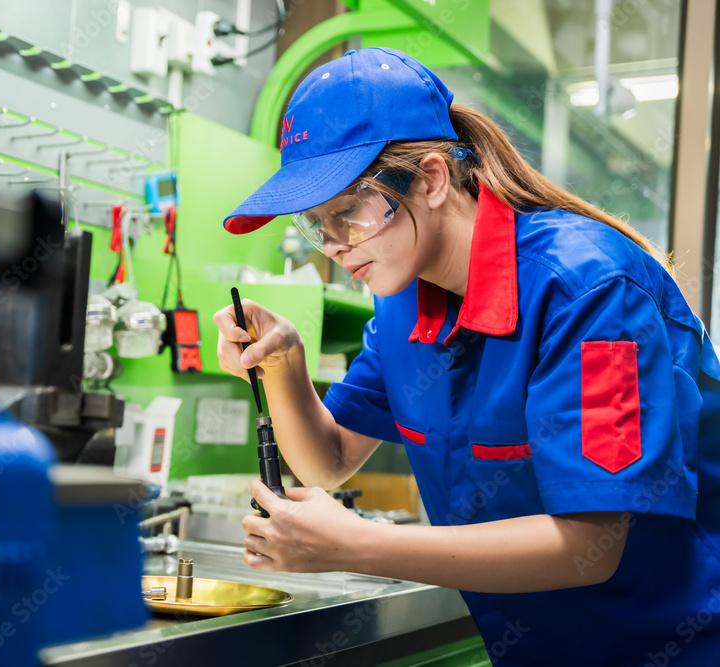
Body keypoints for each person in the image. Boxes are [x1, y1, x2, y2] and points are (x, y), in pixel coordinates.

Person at [214, 47, 720, 665]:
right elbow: (329, 461)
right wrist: (285, 363)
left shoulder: (588, 288)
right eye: (316, 224)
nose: (335, 246)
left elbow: (590, 546)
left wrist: (356, 544)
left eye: (348, 213)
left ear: (431, 179)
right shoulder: (403, 302)